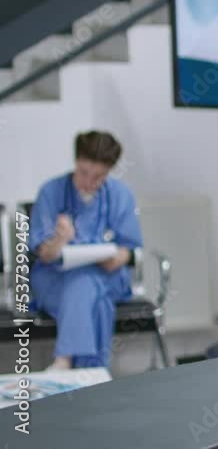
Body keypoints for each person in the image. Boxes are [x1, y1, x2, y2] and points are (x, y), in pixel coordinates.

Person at [29, 131, 143, 370]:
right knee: (96, 300)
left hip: (108, 275)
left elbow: (130, 249)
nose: (89, 182)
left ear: (110, 171)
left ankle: (65, 362)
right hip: (55, 279)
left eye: (99, 176)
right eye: (83, 173)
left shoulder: (121, 195)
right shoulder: (51, 192)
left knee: (85, 282)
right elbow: (44, 254)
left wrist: (117, 258)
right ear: (76, 161)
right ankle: (92, 375)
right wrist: (60, 240)